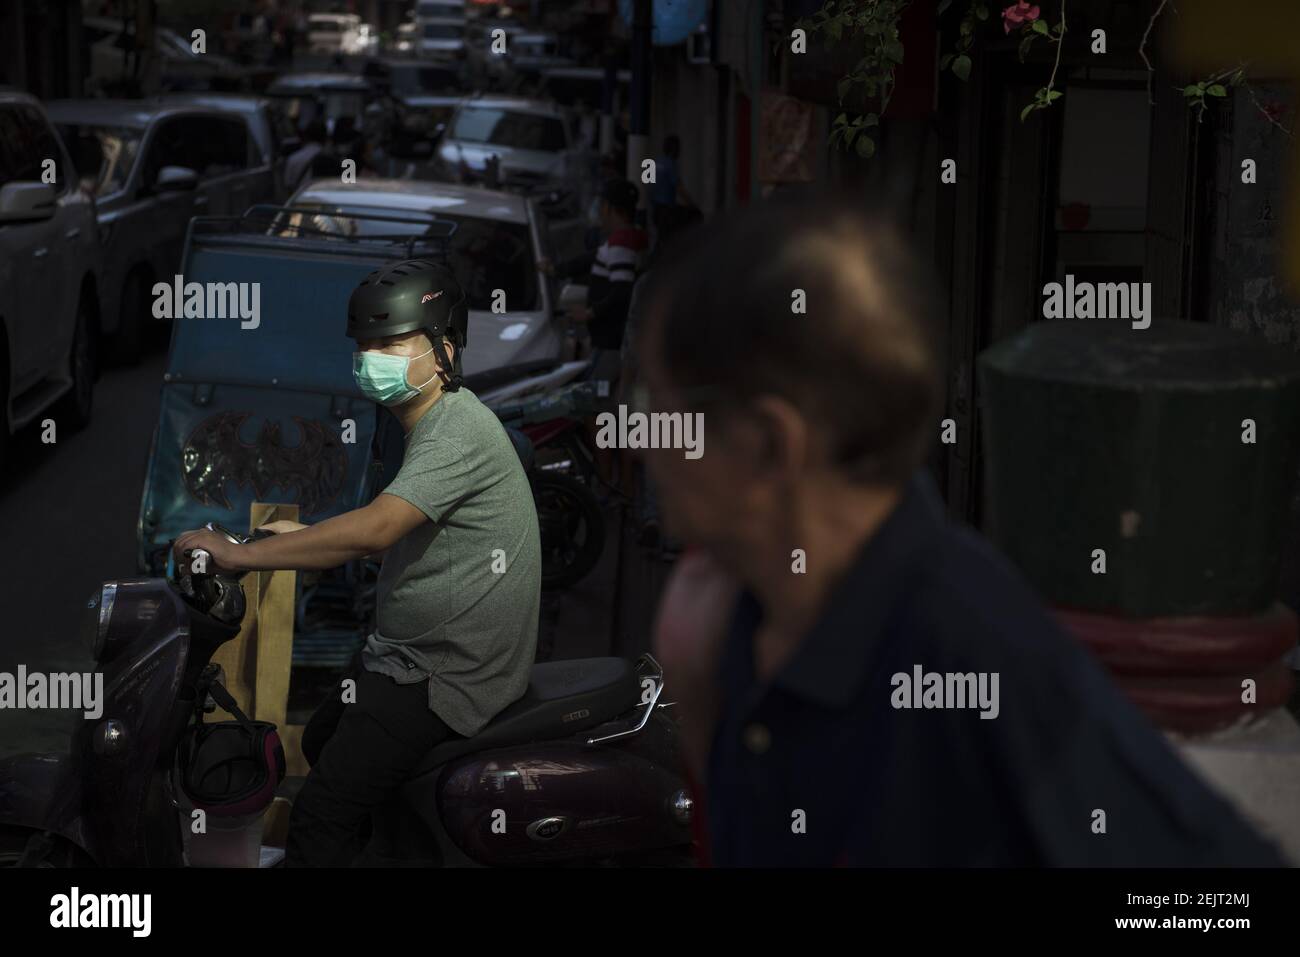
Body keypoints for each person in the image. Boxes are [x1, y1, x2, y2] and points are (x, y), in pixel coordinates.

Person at [635, 198, 1286, 867]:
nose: (641, 440)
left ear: (772, 442)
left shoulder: (975, 651)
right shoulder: (732, 616)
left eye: (658, 408)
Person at [173, 260, 542, 866]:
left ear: (444, 350)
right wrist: (303, 536)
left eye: (393, 343)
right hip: (409, 655)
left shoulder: (458, 428)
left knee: (319, 818)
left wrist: (244, 555)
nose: (375, 357)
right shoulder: (417, 426)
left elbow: (375, 531)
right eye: (367, 345)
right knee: (322, 739)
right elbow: (397, 525)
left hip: (445, 675)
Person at [650, 134, 695, 244]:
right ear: (674, 149)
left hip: (656, 208)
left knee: (660, 238)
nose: (680, 152)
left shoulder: (655, 162)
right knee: (668, 241)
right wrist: (692, 204)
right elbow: (679, 188)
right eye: (678, 148)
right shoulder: (671, 164)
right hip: (666, 210)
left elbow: (649, 185)